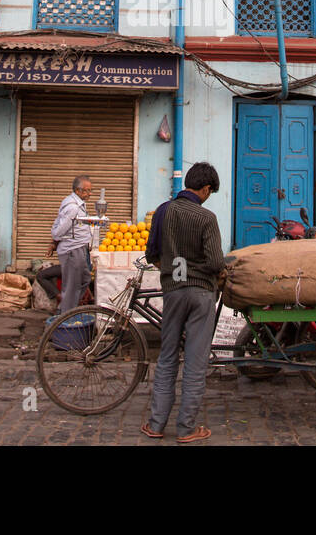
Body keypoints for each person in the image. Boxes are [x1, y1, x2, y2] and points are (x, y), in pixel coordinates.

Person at [142, 161, 224, 444]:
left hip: (173, 291)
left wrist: (171, 269)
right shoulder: (206, 218)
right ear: (204, 189)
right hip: (201, 293)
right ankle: (187, 428)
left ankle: (155, 425)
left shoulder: (164, 211)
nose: (208, 196)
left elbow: (152, 252)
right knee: (195, 362)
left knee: (166, 358)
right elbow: (215, 262)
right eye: (210, 191)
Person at [50, 175, 95, 313]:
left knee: (85, 279)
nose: (90, 194)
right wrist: (55, 242)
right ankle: (65, 315)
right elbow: (58, 231)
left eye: (90, 190)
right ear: (78, 190)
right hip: (72, 250)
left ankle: (68, 308)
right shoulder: (72, 207)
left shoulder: (78, 204)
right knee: (72, 286)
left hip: (79, 248)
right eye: (87, 191)